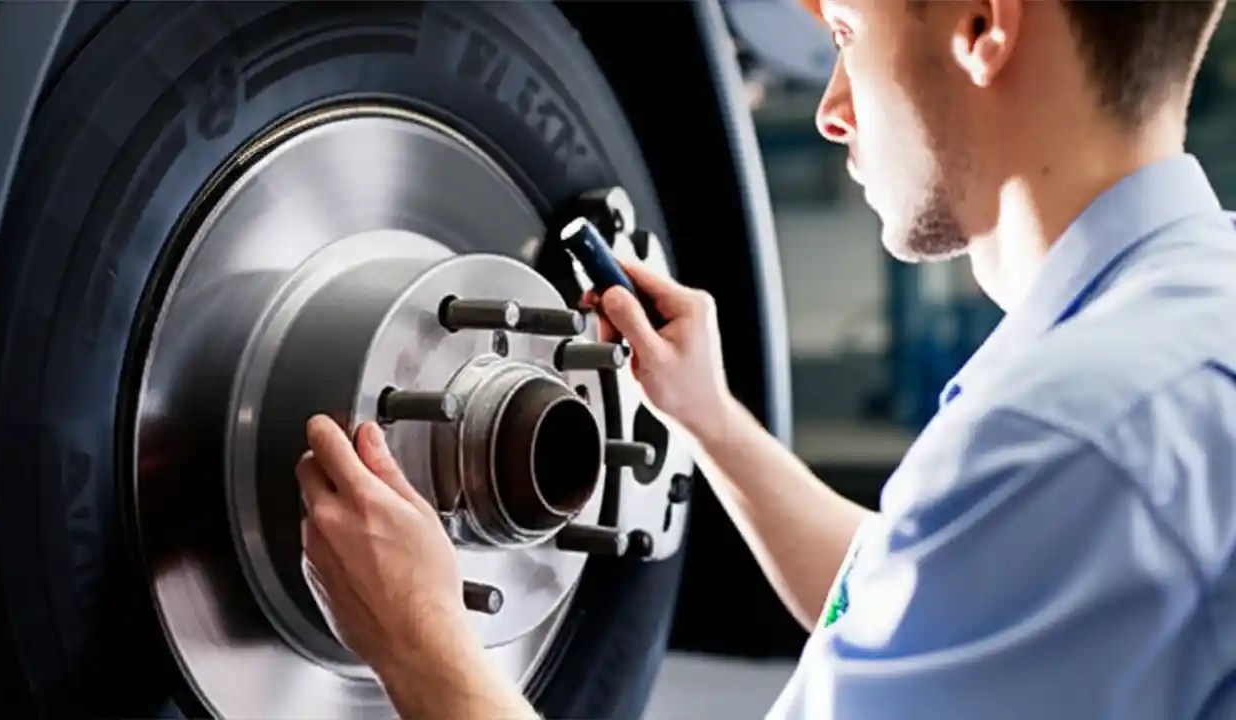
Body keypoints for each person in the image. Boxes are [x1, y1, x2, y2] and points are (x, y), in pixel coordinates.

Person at [294, 0, 1236, 717]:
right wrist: (709, 420)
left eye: (846, 37)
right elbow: (923, 594)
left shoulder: (1073, 436)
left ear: (983, 23)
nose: (830, 109)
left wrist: (419, 644)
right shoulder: (1179, 328)